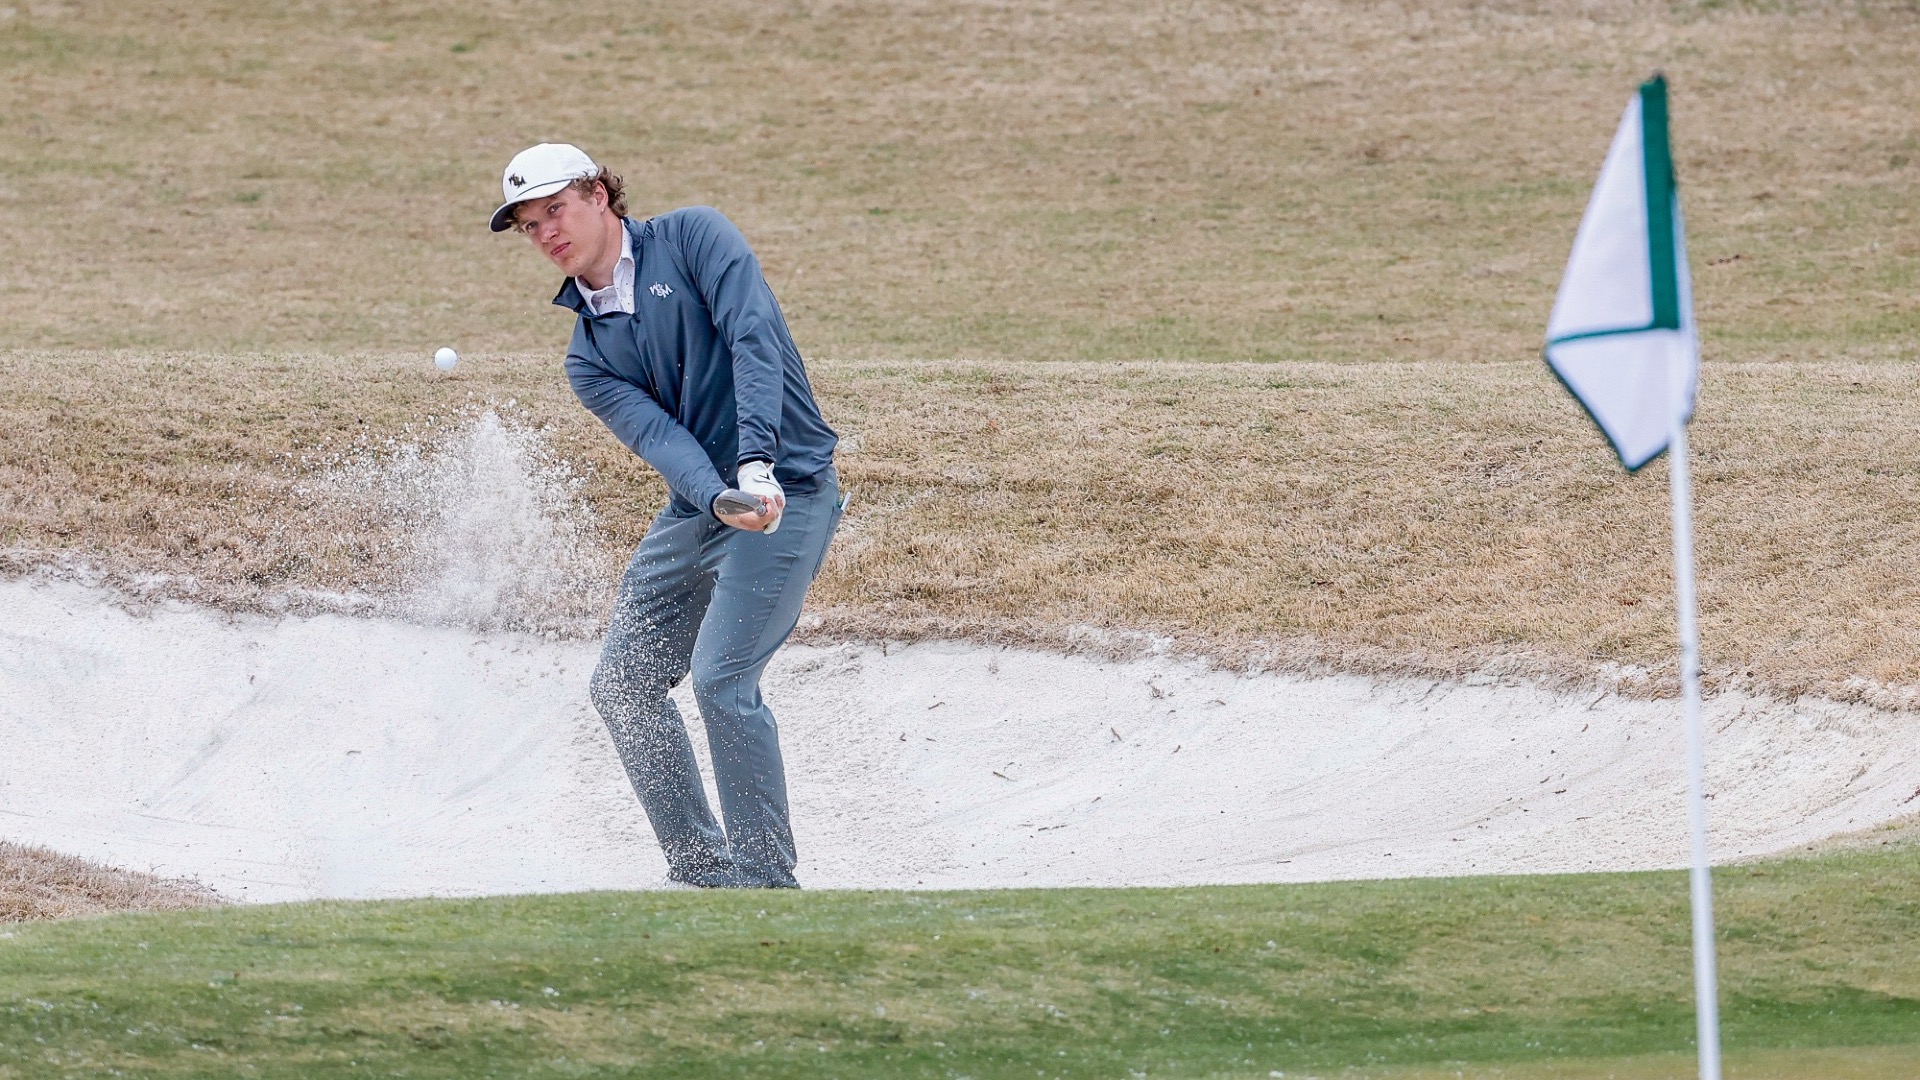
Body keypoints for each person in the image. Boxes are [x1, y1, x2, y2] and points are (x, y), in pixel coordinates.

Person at [490, 142, 843, 888]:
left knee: (722, 680)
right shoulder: (587, 355)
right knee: (620, 684)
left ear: (597, 195)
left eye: (555, 209)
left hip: (790, 490)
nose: (546, 232)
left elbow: (754, 339)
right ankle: (705, 873)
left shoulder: (694, 237)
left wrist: (756, 463)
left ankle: (765, 885)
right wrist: (717, 495)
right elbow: (660, 438)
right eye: (530, 225)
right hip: (699, 507)